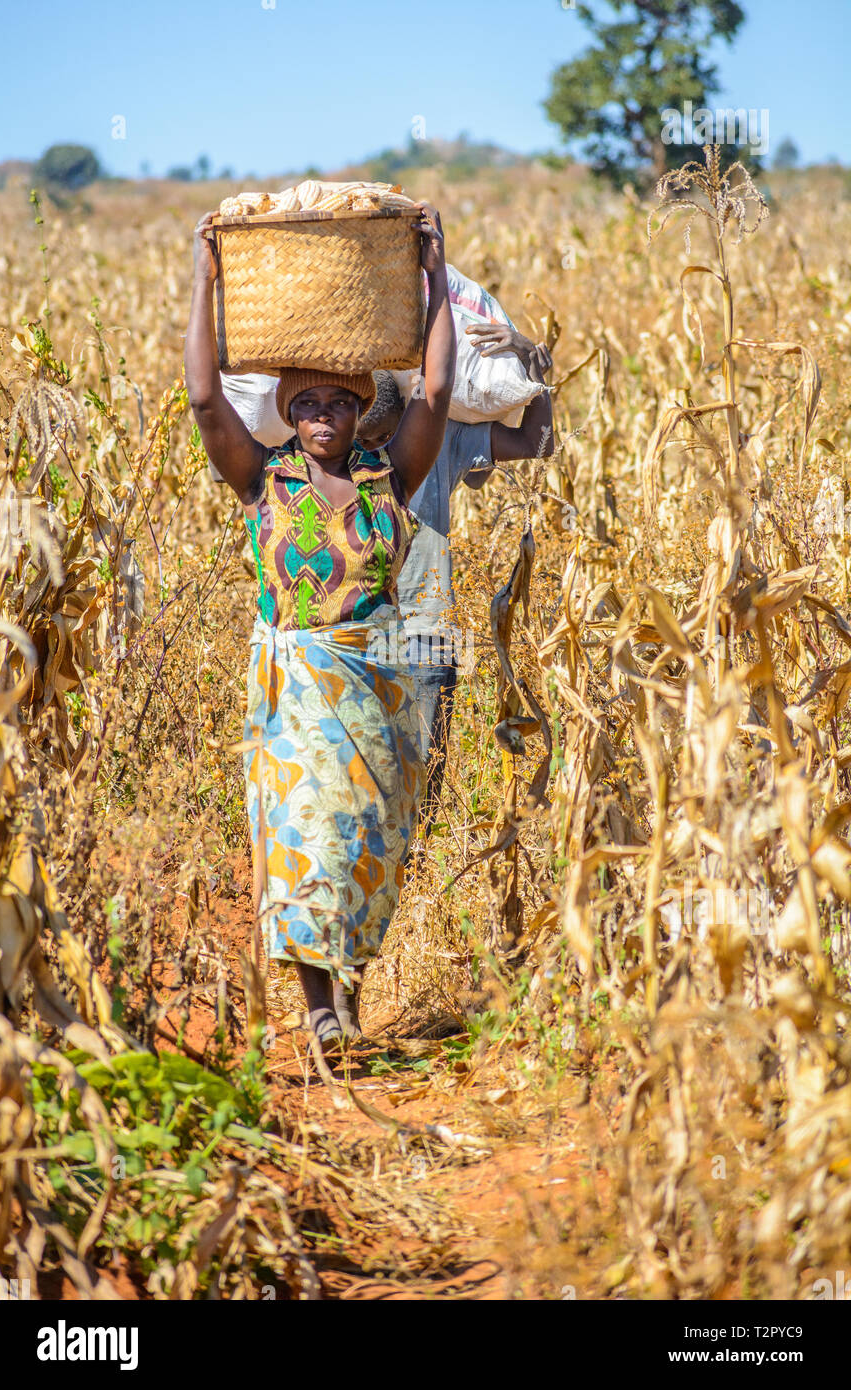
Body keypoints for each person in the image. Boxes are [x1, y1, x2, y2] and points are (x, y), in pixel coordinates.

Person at [184, 202, 456, 1050]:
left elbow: (440, 388)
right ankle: (319, 1012)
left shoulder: (389, 478)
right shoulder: (262, 481)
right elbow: (202, 397)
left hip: (373, 690)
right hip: (294, 695)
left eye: (341, 402)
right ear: (290, 414)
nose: (325, 417)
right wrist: (207, 278)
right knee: (306, 838)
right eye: (308, 404)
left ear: (361, 410)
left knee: (362, 845)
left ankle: (350, 997)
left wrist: (433, 269)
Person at [356, 332, 555, 823]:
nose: (382, 452)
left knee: (420, 791)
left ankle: (412, 887)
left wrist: (536, 377)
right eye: (368, 441)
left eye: (387, 437)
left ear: (406, 421)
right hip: (351, 637)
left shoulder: (439, 441)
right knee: (355, 791)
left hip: (426, 635)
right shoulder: (331, 453)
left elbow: (539, 443)